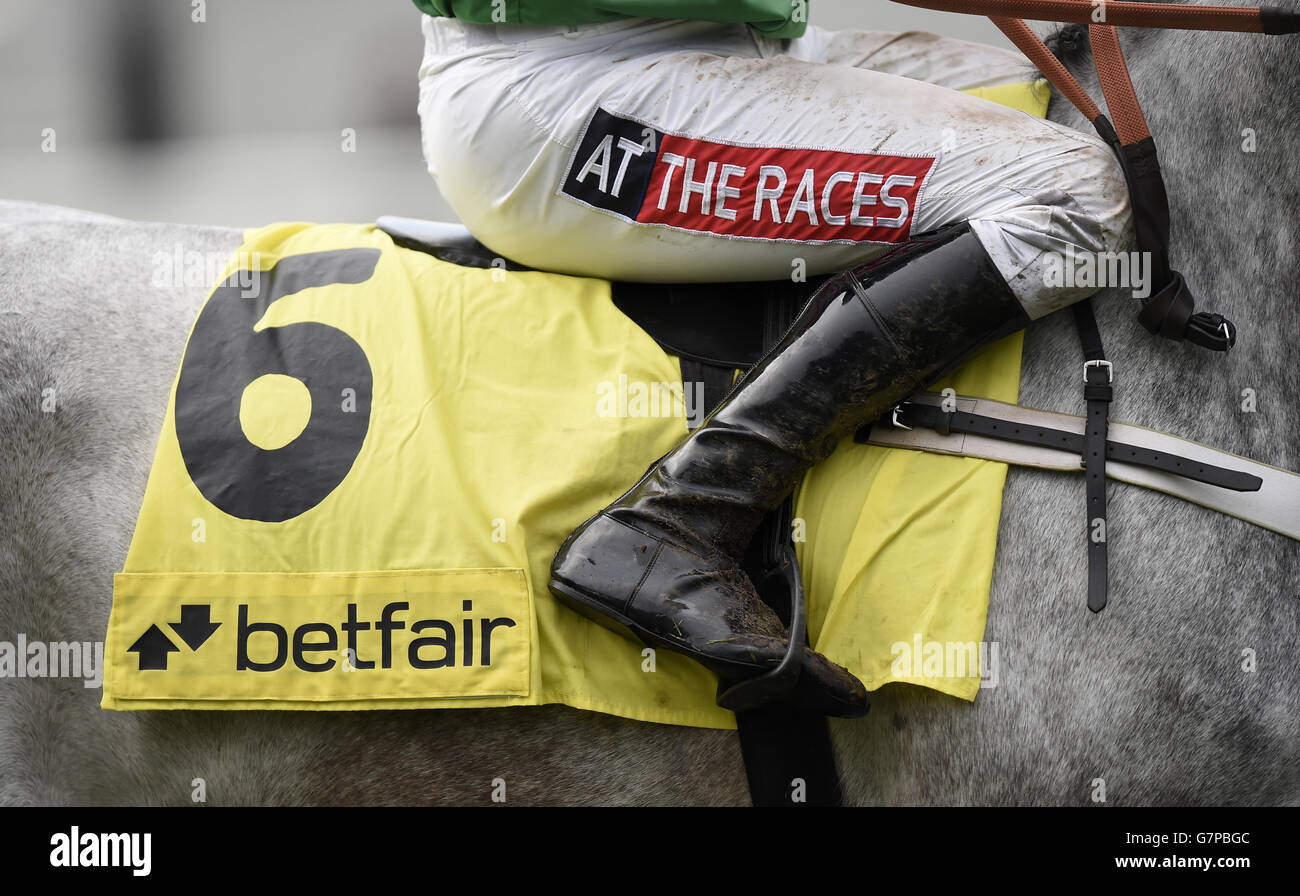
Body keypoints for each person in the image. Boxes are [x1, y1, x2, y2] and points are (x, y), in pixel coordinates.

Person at [413, 1, 1134, 717]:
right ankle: (680, 515)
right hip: (568, 94)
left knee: (1101, 97)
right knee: (1072, 195)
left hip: (742, 45)